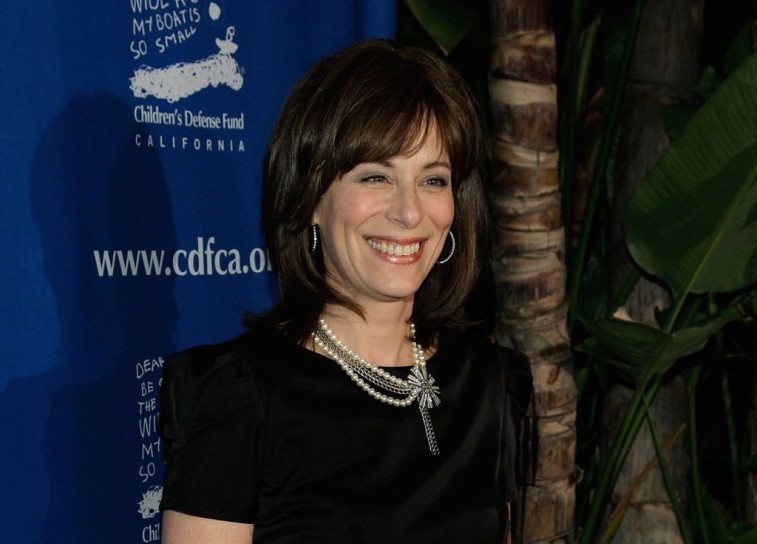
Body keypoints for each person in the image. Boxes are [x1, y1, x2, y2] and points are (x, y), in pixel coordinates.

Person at [159, 39, 533, 544]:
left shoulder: (488, 384)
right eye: (376, 176)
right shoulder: (240, 398)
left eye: (433, 180)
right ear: (310, 197)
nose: (409, 212)